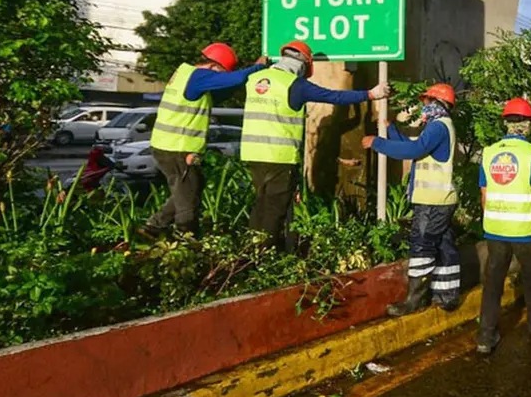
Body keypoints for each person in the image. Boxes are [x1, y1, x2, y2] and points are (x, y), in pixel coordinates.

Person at [241, 40, 389, 249]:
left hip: (252, 154)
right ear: (303, 65)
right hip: (279, 158)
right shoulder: (294, 85)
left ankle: (251, 251)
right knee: (275, 211)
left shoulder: (254, 79)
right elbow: (333, 96)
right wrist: (370, 94)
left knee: (261, 205)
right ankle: (264, 257)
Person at [140, 43, 266, 239]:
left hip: (168, 145)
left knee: (193, 185)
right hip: (178, 148)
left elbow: (223, 91)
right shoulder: (199, 77)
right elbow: (237, 77)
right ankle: (186, 238)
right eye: (222, 73)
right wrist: (258, 67)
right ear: (215, 67)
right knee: (187, 199)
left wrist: (239, 82)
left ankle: (155, 226)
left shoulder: (187, 76)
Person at [364, 83, 461, 315]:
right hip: (441, 199)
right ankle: (447, 296)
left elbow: (414, 151)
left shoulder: (438, 126)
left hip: (433, 201)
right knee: (444, 244)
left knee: (422, 245)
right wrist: (392, 131)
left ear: (435, 102)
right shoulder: (438, 126)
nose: (423, 105)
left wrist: (377, 143)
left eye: (425, 101)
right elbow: (416, 148)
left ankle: (414, 300)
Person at [475, 97, 531, 354]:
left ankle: (485, 338)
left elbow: (484, 195)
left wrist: (495, 219)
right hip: (525, 231)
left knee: (492, 284)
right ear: (528, 125)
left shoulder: (488, 153)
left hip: (495, 230)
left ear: (506, 123)